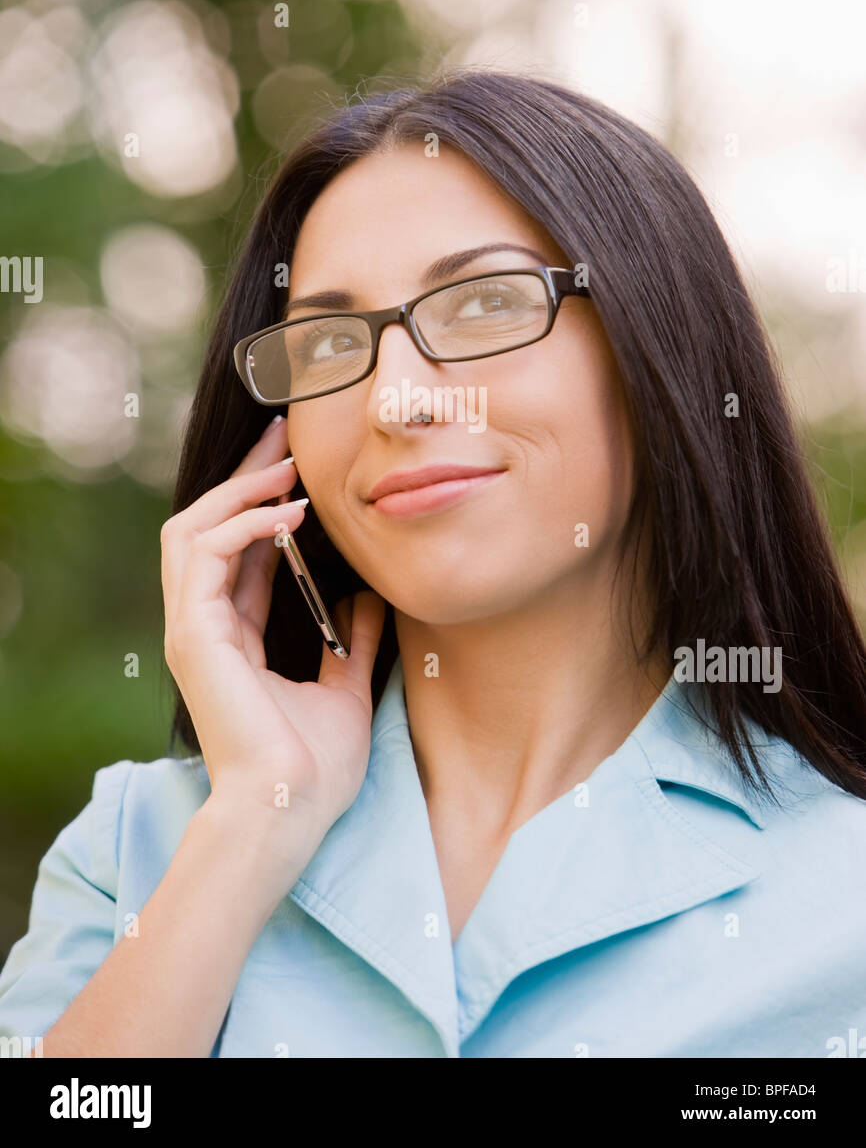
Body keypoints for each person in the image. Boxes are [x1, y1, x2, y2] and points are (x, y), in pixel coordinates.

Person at [2, 70, 865, 1059]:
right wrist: (250, 828)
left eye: (483, 303)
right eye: (329, 340)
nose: (397, 401)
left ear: (655, 339)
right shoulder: (139, 851)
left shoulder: (843, 905)